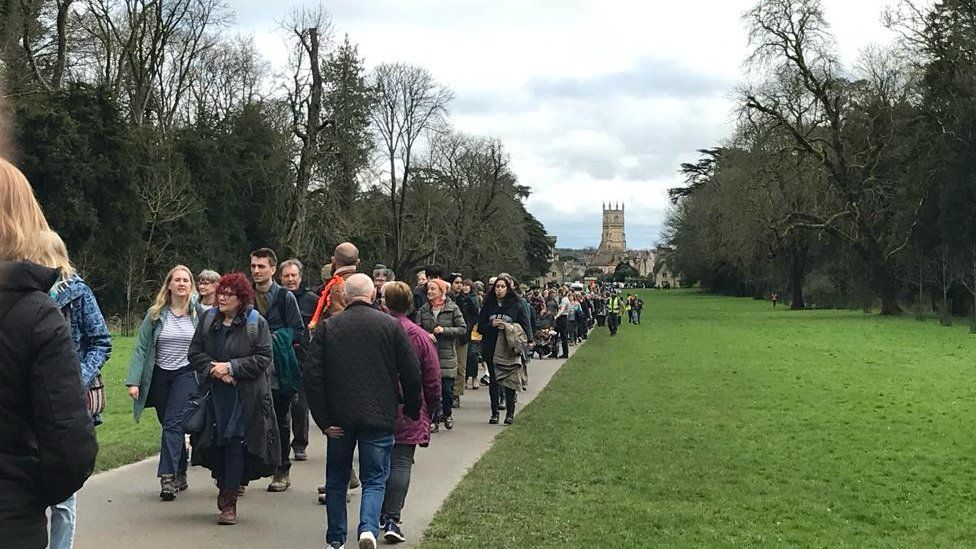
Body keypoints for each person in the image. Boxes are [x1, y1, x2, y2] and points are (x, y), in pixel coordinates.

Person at [0, 158, 97, 549]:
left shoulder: (57, 303)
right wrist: (26, 491)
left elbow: (99, 338)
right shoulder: (35, 313)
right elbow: (70, 449)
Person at [304, 274, 423, 549]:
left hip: (338, 418)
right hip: (379, 414)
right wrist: (412, 408)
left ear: (344, 297)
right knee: (374, 478)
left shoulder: (328, 328)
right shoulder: (391, 327)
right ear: (373, 296)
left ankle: (335, 539)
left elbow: (312, 376)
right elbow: (411, 372)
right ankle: (368, 528)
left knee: (336, 479)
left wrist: (322, 419)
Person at [33, 231, 112, 549]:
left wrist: (75, 378)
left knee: (64, 497)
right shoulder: (26, 294)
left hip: (67, 403)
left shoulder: (78, 293)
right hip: (31, 400)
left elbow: (101, 340)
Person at [187, 272, 280, 525]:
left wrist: (232, 368)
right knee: (214, 445)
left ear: (241, 298)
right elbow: (194, 353)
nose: (223, 298)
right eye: (221, 293)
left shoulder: (255, 322)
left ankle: (230, 501)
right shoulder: (207, 319)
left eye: (229, 294)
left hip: (245, 397)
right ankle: (223, 483)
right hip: (215, 396)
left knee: (236, 444)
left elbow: (264, 358)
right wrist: (214, 370)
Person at [125, 265, 201, 500]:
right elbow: (141, 347)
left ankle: (167, 478)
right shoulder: (156, 314)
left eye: (185, 280)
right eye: (176, 280)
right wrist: (133, 381)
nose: (181, 284)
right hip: (160, 375)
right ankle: (180, 471)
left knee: (172, 422)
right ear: (169, 285)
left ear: (191, 285)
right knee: (168, 423)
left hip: (186, 373)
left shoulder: (199, 313)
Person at [378, 282, 441, 543]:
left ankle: (376, 514)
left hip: (376, 405)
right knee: (402, 462)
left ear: (384, 303)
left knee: (377, 464)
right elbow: (432, 377)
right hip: (409, 406)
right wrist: (432, 407)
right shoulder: (420, 336)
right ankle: (393, 516)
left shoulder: (376, 331)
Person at [249, 248, 303, 492]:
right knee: (249, 417)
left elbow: (297, 329)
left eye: (262, 266)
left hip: (278, 368)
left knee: (280, 417)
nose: (257, 271)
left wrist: (271, 338)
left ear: (273, 269)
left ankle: (282, 469)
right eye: (253, 266)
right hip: (250, 366)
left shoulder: (284, 298)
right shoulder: (245, 295)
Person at [477, 274, 532, 425]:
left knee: (509, 380)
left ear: (508, 289)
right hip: (491, 345)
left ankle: (510, 413)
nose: (499, 290)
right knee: (494, 381)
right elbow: (480, 327)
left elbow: (524, 323)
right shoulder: (488, 304)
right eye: (497, 287)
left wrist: (529, 339)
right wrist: (491, 325)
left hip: (509, 347)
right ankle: (494, 412)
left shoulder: (516, 304)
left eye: (502, 287)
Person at [279, 258, 319, 462]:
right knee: (280, 402)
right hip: (280, 354)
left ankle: (300, 443)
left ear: (300, 277)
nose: (290, 279)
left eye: (293, 275)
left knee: (301, 403)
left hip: (303, 355)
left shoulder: (312, 299)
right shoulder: (276, 298)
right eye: (286, 276)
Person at [418, 278, 466, 431]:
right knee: (433, 391)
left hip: (447, 356)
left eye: (433, 289)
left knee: (446, 390)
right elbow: (417, 329)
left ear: (441, 292)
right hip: (430, 356)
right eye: (428, 289)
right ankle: (435, 419)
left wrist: (445, 331)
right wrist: (426, 335)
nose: (429, 292)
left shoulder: (452, 309)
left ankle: (447, 413)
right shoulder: (423, 310)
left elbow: (462, 329)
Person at [308, 242, 361, 329]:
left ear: (333, 260)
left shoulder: (337, 286)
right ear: (358, 262)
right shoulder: (366, 284)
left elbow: (337, 323)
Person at [449, 273, 479, 405]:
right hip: (448, 335)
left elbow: (474, 314)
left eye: (461, 283)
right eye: (457, 282)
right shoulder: (447, 298)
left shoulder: (466, 299)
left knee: (461, 366)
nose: (460, 285)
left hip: (462, 336)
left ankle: (456, 394)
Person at [552, 288, 572, 359]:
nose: (559, 294)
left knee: (558, 335)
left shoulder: (564, 300)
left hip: (562, 318)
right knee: (559, 335)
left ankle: (563, 353)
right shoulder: (566, 300)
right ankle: (557, 352)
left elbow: (562, 310)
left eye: (560, 292)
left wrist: (556, 316)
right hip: (563, 318)